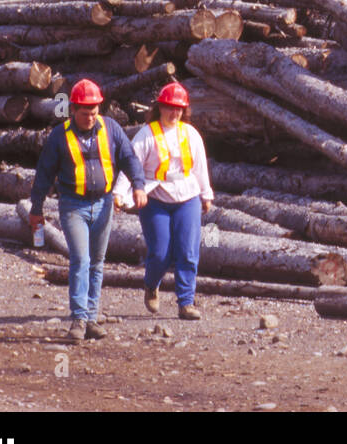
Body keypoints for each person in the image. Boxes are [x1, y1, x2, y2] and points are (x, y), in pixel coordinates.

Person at [30, 79, 147, 342]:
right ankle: (78, 319)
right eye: (85, 113)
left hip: (104, 204)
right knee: (80, 260)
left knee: (97, 262)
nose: (91, 118)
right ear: (73, 110)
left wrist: (138, 186)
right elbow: (44, 174)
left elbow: (129, 158)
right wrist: (36, 208)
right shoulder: (59, 136)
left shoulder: (112, 129)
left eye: (95, 112)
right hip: (73, 205)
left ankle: (92, 318)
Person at [125, 81, 212, 321]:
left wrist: (206, 195)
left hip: (187, 195)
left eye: (179, 109)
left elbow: (200, 166)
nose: (174, 113)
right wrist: (122, 194)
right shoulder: (147, 134)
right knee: (161, 252)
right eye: (170, 108)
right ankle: (151, 284)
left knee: (187, 250)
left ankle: (186, 302)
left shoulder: (190, 134)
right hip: (155, 196)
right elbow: (132, 165)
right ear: (160, 108)